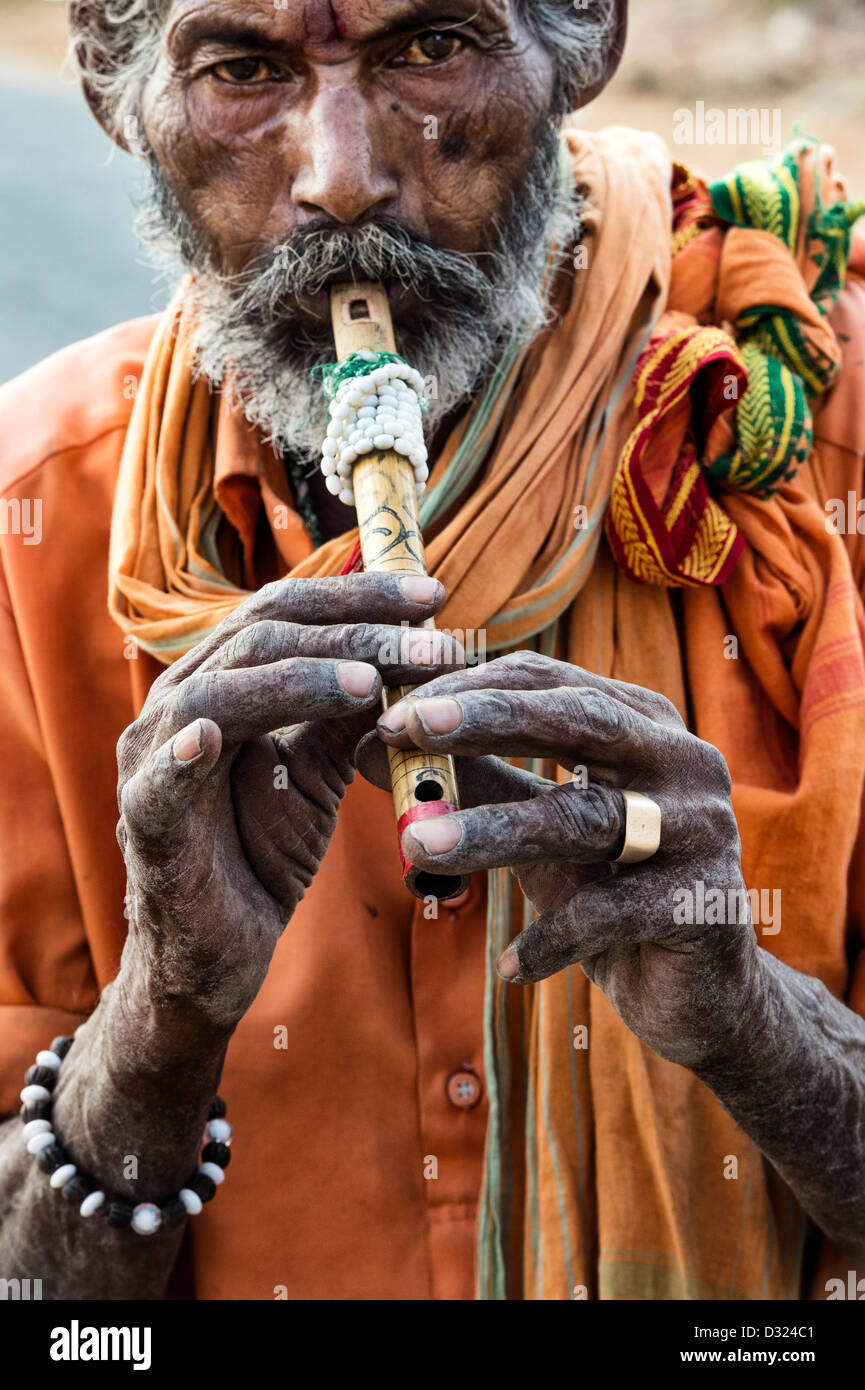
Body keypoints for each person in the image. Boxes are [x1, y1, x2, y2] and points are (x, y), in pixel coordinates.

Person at [0, 0, 864, 1302]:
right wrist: (158, 1022)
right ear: (115, 90)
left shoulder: (810, 448)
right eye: (243, 68)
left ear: (584, 38)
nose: (342, 178)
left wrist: (756, 1022)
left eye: (430, 47)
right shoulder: (29, 526)